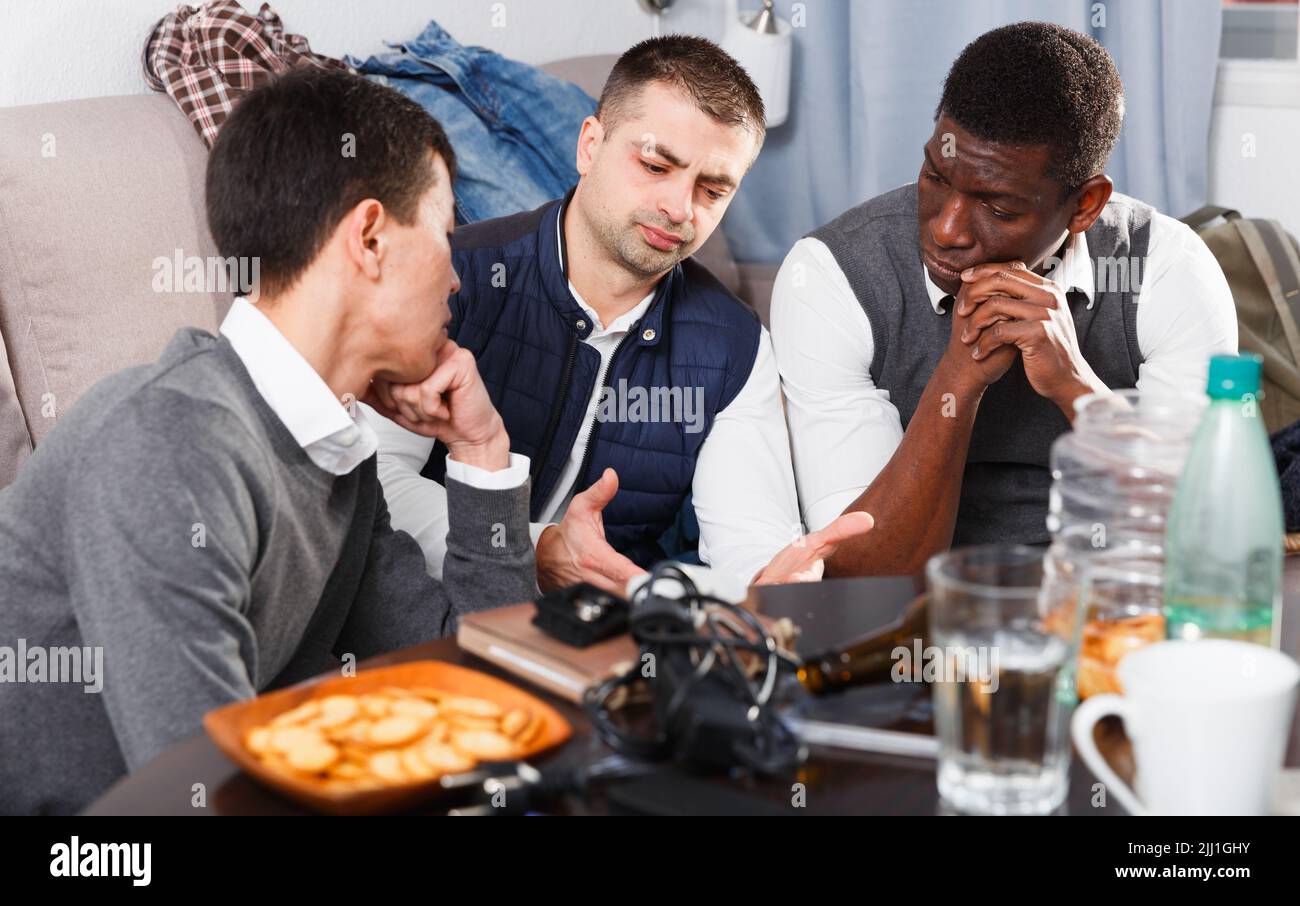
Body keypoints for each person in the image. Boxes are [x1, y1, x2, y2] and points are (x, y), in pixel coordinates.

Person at [0, 69, 533, 814]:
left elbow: (480, 685)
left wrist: (482, 452)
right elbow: (198, 797)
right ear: (371, 238)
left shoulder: (336, 453)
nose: (456, 279)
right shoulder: (169, 444)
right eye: (446, 233)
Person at [367, 35, 871, 594]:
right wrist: (538, 548)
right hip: (433, 616)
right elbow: (377, 485)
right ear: (589, 146)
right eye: (656, 165)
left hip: (608, 639)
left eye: (712, 189)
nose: (679, 209)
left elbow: (748, 541)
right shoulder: (454, 279)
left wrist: (770, 579)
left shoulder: (737, 346)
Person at [771, 21, 1237, 577]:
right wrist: (958, 380)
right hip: (918, 623)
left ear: (1086, 205)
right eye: (936, 177)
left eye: (998, 208)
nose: (946, 230)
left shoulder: (1166, 270)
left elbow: (1204, 537)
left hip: (1109, 601)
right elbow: (864, 572)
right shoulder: (834, 275)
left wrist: (1074, 386)